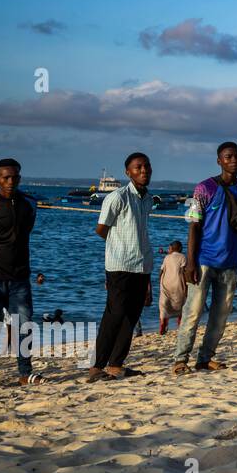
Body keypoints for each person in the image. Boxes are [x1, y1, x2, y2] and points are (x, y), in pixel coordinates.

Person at [172, 142, 237, 374]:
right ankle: (180, 360)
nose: (233, 160)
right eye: (228, 157)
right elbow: (194, 226)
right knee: (193, 312)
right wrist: (190, 261)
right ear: (219, 161)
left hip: (230, 263)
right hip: (204, 261)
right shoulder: (204, 188)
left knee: (220, 317)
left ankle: (205, 358)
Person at [89, 152, 155, 381]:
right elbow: (101, 229)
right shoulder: (117, 197)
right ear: (128, 172)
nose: (144, 170)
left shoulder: (148, 199)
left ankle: (116, 364)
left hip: (142, 265)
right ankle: (97, 366)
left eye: (146, 166)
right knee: (114, 314)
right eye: (138, 167)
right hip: (119, 264)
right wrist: (119, 247)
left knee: (131, 315)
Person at [0, 158, 42, 385]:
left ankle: (24, 373)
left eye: (14, 177)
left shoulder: (29, 204)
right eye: (5, 178)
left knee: (24, 325)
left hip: (20, 278)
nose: (10, 181)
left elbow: (27, 230)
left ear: (20, 178)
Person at [158, 240, 187, 334]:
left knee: (164, 305)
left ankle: (163, 322)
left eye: (169, 248)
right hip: (177, 283)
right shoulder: (182, 257)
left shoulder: (167, 257)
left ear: (172, 248)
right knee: (182, 304)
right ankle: (180, 324)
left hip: (166, 283)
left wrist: (160, 282)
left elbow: (161, 271)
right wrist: (186, 287)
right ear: (180, 248)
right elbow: (183, 272)